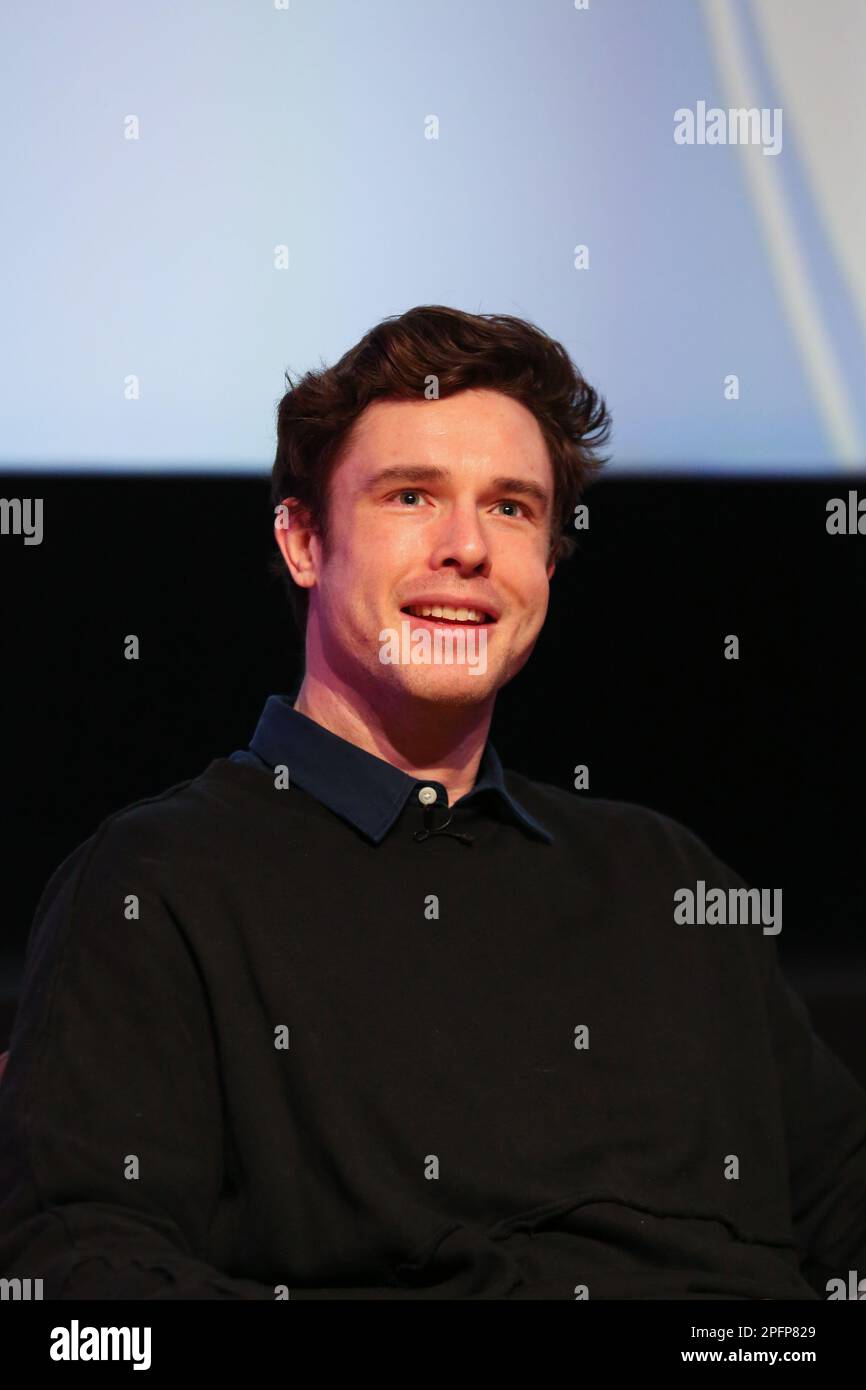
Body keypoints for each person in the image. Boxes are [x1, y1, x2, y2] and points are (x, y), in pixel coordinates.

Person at [1, 305, 864, 1300]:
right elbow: (87, 1279)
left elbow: (842, 1197)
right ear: (302, 542)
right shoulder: (156, 890)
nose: (468, 546)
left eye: (511, 508)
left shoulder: (665, 879)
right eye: (411, 495)